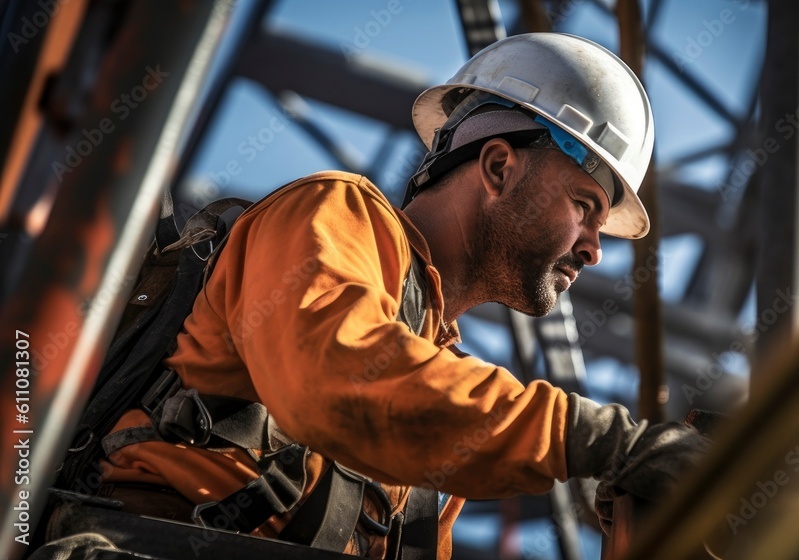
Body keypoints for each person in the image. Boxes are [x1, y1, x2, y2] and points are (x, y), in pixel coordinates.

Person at [39, 33, 708, 560]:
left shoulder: (435, 435)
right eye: (585, 207)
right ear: (500, 166)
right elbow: (338, 381)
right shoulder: (335, 215)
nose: (594, 248)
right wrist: (595, 439)